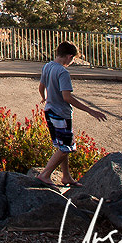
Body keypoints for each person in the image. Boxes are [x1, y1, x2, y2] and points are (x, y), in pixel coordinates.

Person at [37, 41, 108, 187]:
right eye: (73, 58)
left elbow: (41, 86)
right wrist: (90, 110)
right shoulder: (63, 72)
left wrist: (44, 98)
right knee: (67, 147)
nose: (73, 61)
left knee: (62, 146)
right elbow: (67, 97)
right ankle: (45, 175)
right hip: (61, 113)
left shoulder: (47, 66)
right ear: (69, 56)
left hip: (50, 111)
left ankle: (66, 176)